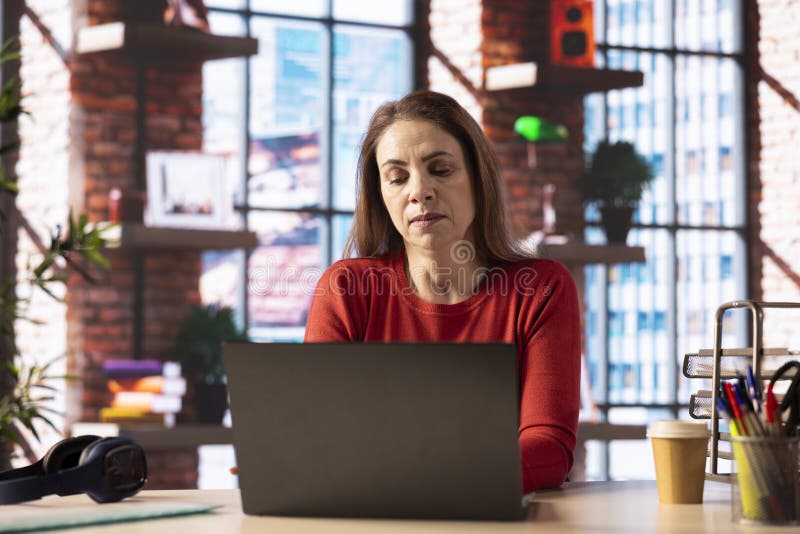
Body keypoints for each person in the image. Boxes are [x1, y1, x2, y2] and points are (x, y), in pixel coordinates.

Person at [304, 90, 580, 493]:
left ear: (478, 178)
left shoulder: (541, 289)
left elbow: (548, 447)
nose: (420, 191)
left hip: (494, 516)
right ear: (381, 195)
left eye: (441, 169)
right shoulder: (346, 289)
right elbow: (317, 435)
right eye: (397, 178)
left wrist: (425, 475)